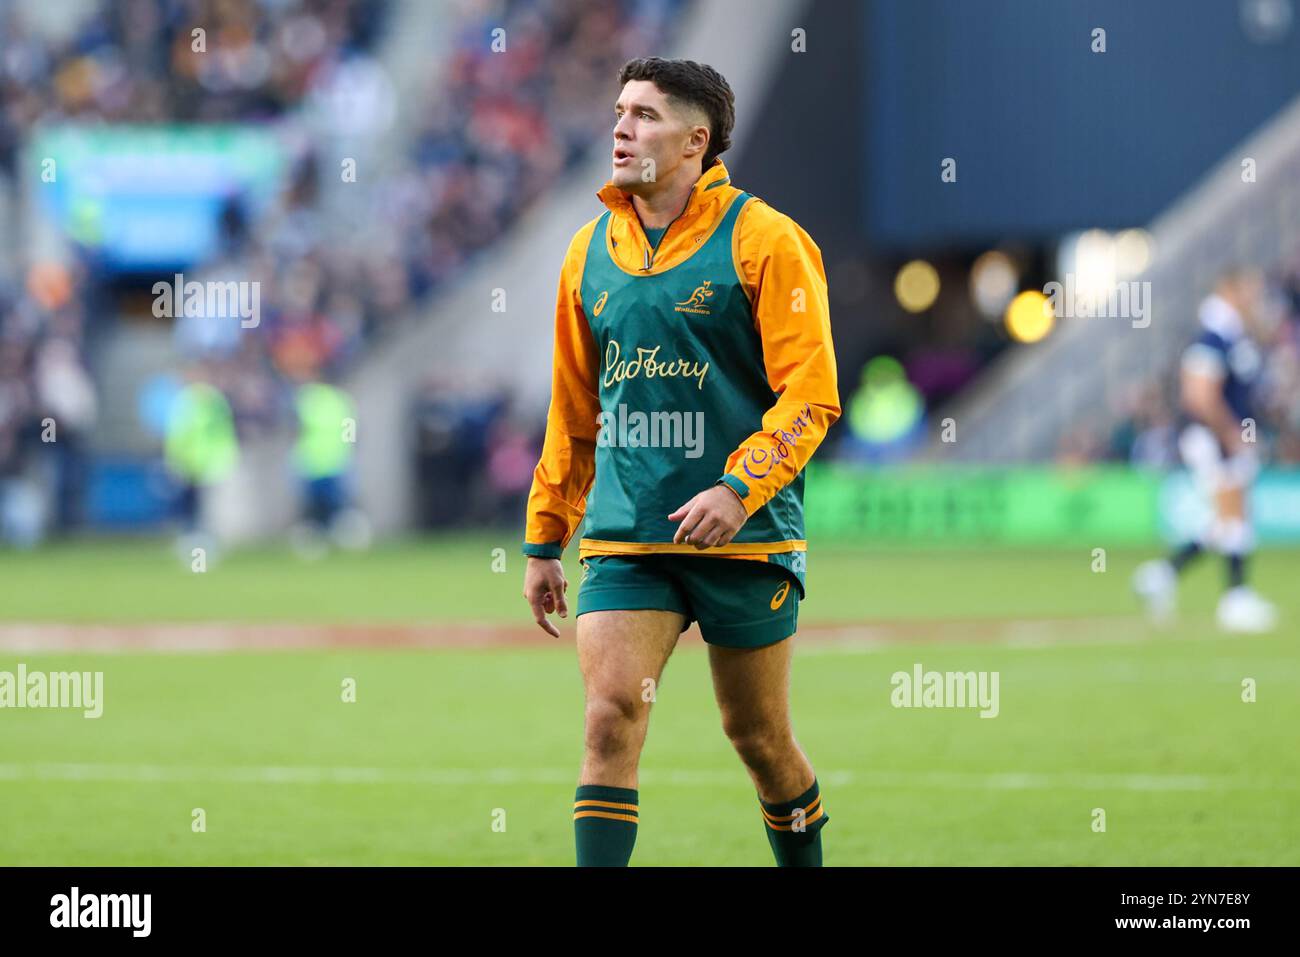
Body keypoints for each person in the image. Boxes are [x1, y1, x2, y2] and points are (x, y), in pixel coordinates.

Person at [520, 58, 840, 866]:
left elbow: (810, 396)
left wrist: (737, 488)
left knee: (758, 737)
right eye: (619, 112)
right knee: (608, 719)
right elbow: (573, 409)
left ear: (696, 141)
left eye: (645, 116)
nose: (621, 130)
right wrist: (545, 535)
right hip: (627, 533)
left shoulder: (767, 239)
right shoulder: (587, 251)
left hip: (746, 534)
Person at [1133, 266, 1278, 632]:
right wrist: (1230, 433)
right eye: (1249, 289)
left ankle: (1163, 574)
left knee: (1227, 518)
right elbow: (1198, 395)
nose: (1255, 298)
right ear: (1229, 289)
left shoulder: (1233, 336)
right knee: (1234, 515)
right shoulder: (1212, 338)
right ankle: (1236, 599)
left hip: (1223, 436)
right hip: (1211, 437)